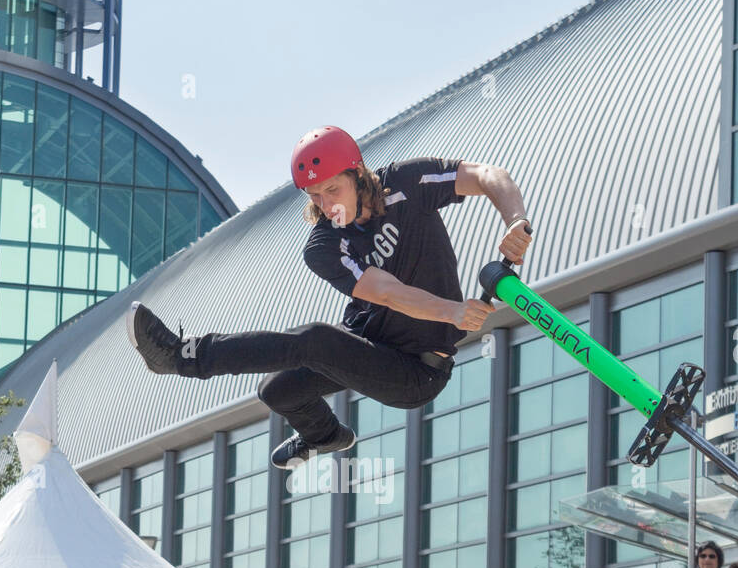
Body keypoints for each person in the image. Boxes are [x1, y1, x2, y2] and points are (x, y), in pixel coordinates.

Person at [128, 127, 532, 469]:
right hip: (369, 346)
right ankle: (327, 437)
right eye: (315, 196)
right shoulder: (323, 246)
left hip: (417, 371)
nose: (327, 205)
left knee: (313, 343)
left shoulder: (408, 184)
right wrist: (454, 311)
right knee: (278, 391)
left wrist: (515, 220)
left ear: (357, 173)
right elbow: (388, 293)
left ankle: (183, 356)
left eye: (333, 189)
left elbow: (486, 175)